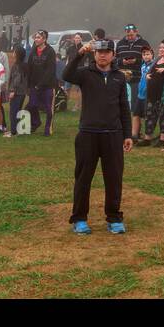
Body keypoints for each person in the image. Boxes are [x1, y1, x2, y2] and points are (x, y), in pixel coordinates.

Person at [63, 39, 133, 234]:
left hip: (113, 135)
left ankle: (114, 218)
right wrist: (79, 54)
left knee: (114, 179)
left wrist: (127, 134)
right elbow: (66, 74)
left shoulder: (119, 77)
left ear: (113, 54)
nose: (103, 55)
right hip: (88, 135)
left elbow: (124, 108)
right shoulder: (85, 74)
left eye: (107, 51)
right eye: (99, 52)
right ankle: (79, 219)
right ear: (94, 54)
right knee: (83, 178)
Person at [25, 30, 58, 136]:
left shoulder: (50, 51)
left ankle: (48, 128)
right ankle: (36, 123)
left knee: (48, 108)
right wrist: (29, 85)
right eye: (36, 37)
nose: (36, 39)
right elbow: (29, 68)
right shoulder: (33, 51)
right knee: (32, 105)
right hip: (34, 85)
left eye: (39, 37)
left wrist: (41, 84)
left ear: (44, 39)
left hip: (48, 86)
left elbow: (50, 70)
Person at [115, 24, 150, 112]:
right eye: (128, 35)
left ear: (136, 32)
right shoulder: (120, 44)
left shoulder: (144, 43)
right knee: (123, 102)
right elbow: (114, 59)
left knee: (135, 104)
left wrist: (136, 61)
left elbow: (149, 59)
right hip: (122, 79)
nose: (130, 37)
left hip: (137, 78)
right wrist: (121, 61)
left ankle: (134, 121)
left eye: (132, 35)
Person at [5, 50, 28, 138]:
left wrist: (12, 91)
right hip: (22, 92)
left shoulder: (17, 66)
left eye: (14, 52)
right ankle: (17, 130)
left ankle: (13, 132)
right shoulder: (24, 65)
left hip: (16, 92)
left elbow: (17, 79)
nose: (13, 53)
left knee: (13, 112)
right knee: (18, 111)